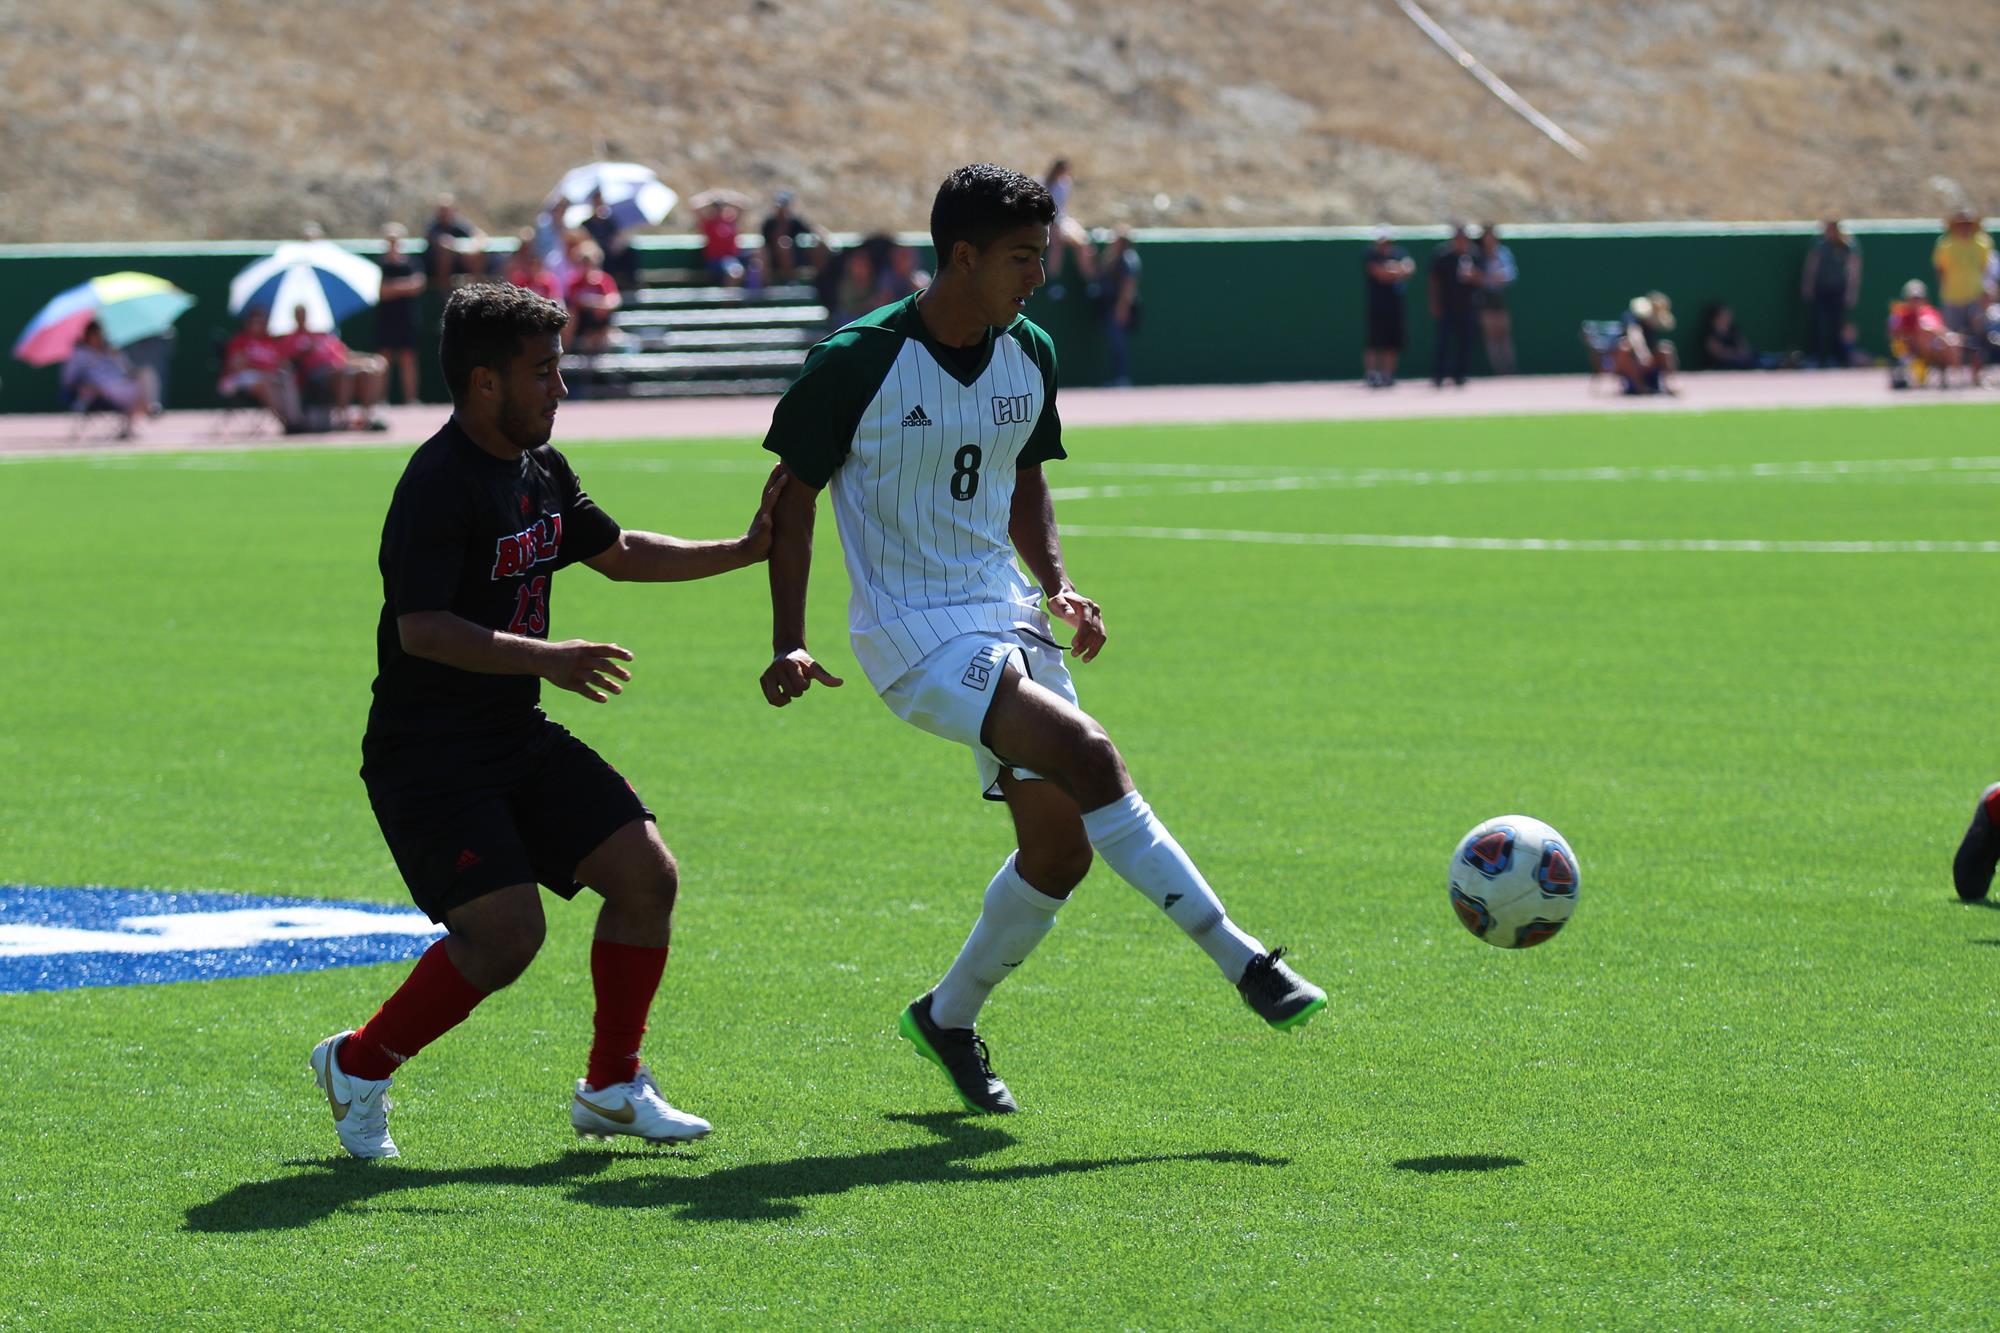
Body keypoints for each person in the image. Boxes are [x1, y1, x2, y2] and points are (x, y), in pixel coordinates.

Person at [755, 163, 1326, 1118]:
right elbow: (791, 502)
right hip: (909, 633)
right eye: (1022, 258)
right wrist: (789, 638)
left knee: (1059, 853)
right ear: (963, 256)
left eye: (1044, 255)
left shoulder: (1030, 350)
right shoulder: (854, 360)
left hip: (1006, 610)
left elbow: (1024, 476)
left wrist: (1056, 581)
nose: (1039, 275)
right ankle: (1245, 960)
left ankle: (946, 1017)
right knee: (1089, 752)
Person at [309, 283, 785, 1159]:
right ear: (484, 382)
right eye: (544, 372)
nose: (560, 389)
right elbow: (422, 630)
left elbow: (620, 553)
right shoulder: (438, 482)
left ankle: (611, 1085)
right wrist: (548, 657)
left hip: (512, 737)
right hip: (430, 758)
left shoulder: (541, 471)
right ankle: (358, 1062)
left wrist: (745, 549)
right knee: (505, 937)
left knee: (646, 874)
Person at [284, 303, 388, 431]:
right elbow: (290, 360)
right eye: (299, 315)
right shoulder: (292, 338)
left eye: (304, 314)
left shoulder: (323, 336)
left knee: (367, 372)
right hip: (315, 376)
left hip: (339, 369)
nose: (302, 318)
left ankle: (366, 417)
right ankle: (342, 417)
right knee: (345, 373)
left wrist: (370, 360)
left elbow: (345, 355)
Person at [61, 321, 160, 438]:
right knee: (138, 394)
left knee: (146, 373)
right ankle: (146, 410)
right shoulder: (79, 354)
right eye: (96, 335)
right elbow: (68, 379)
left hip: (121, 385)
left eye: (101, 335)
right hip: (98, 389)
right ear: (88, 335)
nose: (99, 338)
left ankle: (146, 409)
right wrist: (83, 385)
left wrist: (117, 356)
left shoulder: (111, 350)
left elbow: (129, 371)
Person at [218, 306, 304, 431]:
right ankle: (285, 422)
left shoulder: (270, 341)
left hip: (268, 377)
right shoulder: (240, 340)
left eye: (263, 321)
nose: (260, 325)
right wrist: (263, 371)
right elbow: (237, 366)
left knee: (287, 381)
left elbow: (283, 363)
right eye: (256, 322)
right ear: (249, 323)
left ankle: (296, 419)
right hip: (237, 379)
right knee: (265, 384)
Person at [1934, 210, 1992, 383]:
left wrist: (1982, 293)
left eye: (1967, 224)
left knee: (1979, 336)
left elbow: (1984, 268)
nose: (1964, 228)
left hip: (1974, 297)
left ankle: (1977, 375)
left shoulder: (1982, 244)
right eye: (1961, 224)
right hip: (1952, 298)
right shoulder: (1946, 245)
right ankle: (1945, 376)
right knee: (1947, 337)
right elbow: (1940, 271)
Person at [375, 223, 427, 405]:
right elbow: (381, 291)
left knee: (408, 358)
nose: (393, 243)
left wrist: (394, 287)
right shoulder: (380, 264)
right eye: (390, 240)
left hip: (406, 318)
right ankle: (380, 400)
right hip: (387, 318)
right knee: (384, 359)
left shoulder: (413, 263)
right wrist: (404, 286)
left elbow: (418, 285)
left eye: (396, 240)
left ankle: (411, 399)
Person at [1800, 217, 1861, 368]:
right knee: (1819, 323)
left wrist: (1851, 292)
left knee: (1838, 326)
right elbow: (1811, 267)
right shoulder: (1820, 245)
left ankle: (1839, 358)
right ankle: (1817, 357)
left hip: (1838, 291)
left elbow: (1853, 270)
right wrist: (1808, 286)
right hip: (1822, 290)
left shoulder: (1847, 245)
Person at [1428, 223, 1481, 387]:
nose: (1460, 241)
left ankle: (1461, 375)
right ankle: (1439, 375)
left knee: (1465, 342)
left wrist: (1473, 274)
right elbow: (1433, 281)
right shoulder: (1443, 255)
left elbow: (1482, 278)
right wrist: (1434, 302)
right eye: (1458, 238)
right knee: (1443, 342)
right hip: (1447, 306)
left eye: (1463, 238)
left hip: (1468, 306)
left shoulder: (1474, 255)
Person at [1887, 278, 1964, 387]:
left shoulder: (1929, 312)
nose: (1915, 302)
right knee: (1927, 333)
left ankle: (1955, 379)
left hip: (1935, 347)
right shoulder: (1901, 315)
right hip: (1912, 350)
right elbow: (1896, 336)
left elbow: (1938, 328)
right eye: (1912, 299)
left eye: (1918, 299)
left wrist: (1948, 336)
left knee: (1950, 343)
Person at [1362, 226, 1414, 388]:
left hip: (1395, 306)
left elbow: (1410, 268)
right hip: (1378, 306)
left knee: (1393, 343)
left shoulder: (1399, 253)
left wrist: (1394, 270)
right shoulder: (1371, 255)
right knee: (1374, 342)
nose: (1385, 244)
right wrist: (1397, 271)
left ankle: (1387, 375)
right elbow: (1381, 274)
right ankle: (1371, 375)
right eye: (1382, 241)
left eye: (1388, 241)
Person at [1040, 158, 1095, 299]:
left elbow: (1062, 210)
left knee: (1082, 242)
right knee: (1056, 244)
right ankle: (1052, 282)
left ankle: (1091, 281)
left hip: (1061, 220)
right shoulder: (1042, 182)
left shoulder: (1065, 183)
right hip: (1047, 222)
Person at [1095, 228, 1141, 387]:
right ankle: (1119, 377)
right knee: (1114, 343)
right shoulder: (1113, 257)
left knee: (1119, 343)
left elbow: (1129, 286)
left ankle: (1122, 378)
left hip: (1118, 307)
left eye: (1116, 240)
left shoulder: (1128, 259)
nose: (1112, 242)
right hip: (1110, 305)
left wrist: (1122, 309)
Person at [563, 240, 623, 355]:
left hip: (600, 320)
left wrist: (595, 303)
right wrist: (593, 303)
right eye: (583, 262)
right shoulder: (574, 282)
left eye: (589, 262)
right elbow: (575, 301)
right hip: (581, 322)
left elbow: (614, 300)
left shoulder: (604, 280)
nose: (587, 266)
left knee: (601, 311)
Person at [1614, 291, 1679, 395]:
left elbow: (1668, 324)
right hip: (1631, 358)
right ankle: (1641, 388)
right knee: (1624, 346)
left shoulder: (1652, 318)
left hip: (1650, 358)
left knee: (1666, 348)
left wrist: (1660, 311)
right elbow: (1635, 334)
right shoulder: (1630, 317)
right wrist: (1642, 353)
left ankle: (1670, 386)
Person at [760, 191, 829, 285]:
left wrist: (821, 234)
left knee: (818, 247)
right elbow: (767, 243)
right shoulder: (769, 223)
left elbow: (811, 230)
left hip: (794, 257)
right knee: (782, 245)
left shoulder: (794, 221)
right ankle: (785, 280)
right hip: (772, 258)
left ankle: (823, 280)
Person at [1476, 223, 1518, 375]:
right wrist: (1487, 278)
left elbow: (1509, 275)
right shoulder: (1478, 255)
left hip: (1499, 299)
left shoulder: (1503, 253)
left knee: (1504, 334)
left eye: (1492, 237)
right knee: (1491, 336)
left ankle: (1510, 369)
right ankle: (1498, 370)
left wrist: (1494, 278)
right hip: (1484, 299)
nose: (1489, 240)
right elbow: (1476, 277)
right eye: (1487, 237)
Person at [425, 193, 489, 290]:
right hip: (433, 265)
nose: (445, 213)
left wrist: (473, 247)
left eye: (447, 210)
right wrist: (461, 249)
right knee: (444, 256)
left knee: (478, 254)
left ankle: (476, 287)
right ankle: (444, 291)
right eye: (442, 210)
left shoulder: (458, 224)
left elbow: (479, 235)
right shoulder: (433, 227)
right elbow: (443, 243)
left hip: (460, 259)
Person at [505, 226, 565, 302]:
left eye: (536, 265)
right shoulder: (520, 280)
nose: (533, 268)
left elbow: (555, 299)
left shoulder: (548, 282)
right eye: (531, 265)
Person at [1698, 302, 1759, 370]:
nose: (1727, 317)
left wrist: (1741, 355)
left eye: (1727, 314)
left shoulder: (1734, 331)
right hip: (1720, 368)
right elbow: (1718, 353)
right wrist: (1734, 354)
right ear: (1715, 317)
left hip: (1741, 364)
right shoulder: (1709, 334)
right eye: (1723, 315)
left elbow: (1744, 348)